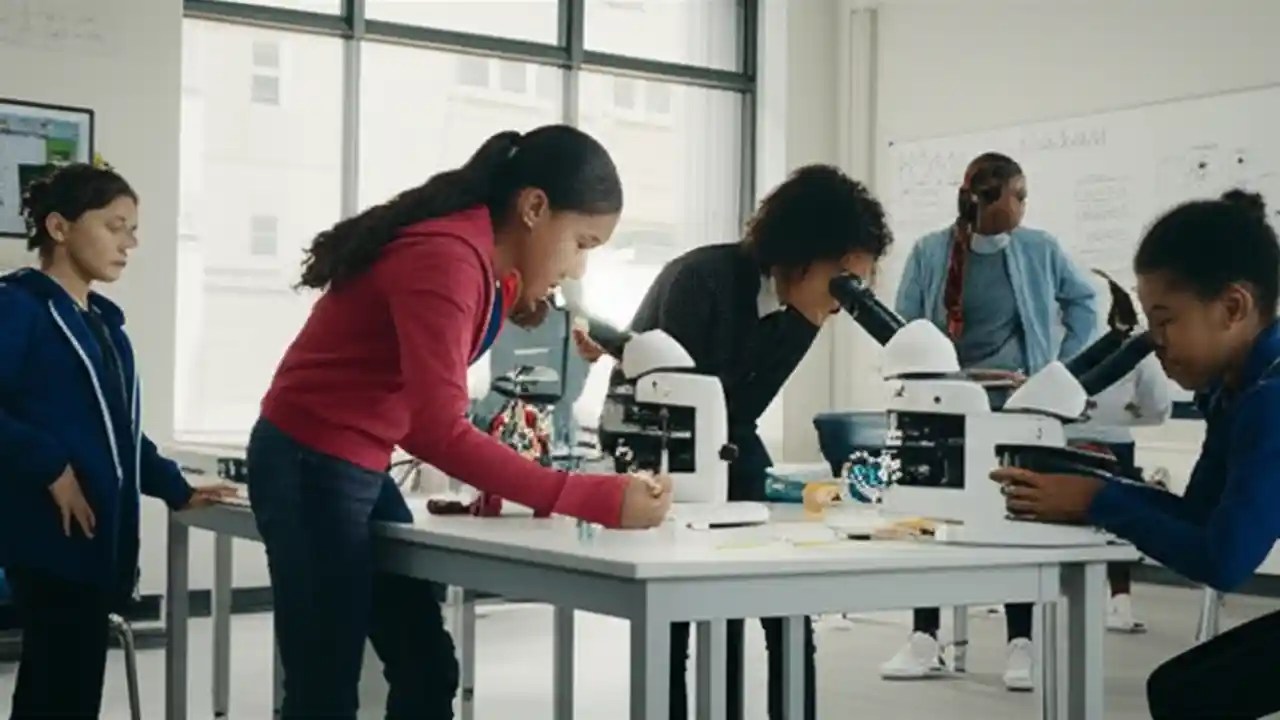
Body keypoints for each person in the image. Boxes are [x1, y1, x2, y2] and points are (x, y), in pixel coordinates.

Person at [246, 125, 673, 719]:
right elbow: (436, 429)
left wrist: (517, 303)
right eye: (581, 242)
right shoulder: (446, 257)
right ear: (533, 207)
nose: (577, 268)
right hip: (309, 457)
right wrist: (590, 497)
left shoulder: (480, 261)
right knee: (324, 687)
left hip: (356, 461)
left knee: (426, 667)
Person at [606, 164, 894, 720]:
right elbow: (687, 406)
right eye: (842, 280)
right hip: (663, 447)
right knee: (685, 610)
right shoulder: (703, 278)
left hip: (731, 435)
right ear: (800, 249)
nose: (844, 300)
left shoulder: (803, 307)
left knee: (787, 601)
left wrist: (804, 321)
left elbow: (744, 410)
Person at [991, 189, 1280, 719]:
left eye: (1166, 320)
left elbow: (1223, 560)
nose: (1155, 342)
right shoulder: (1232, 390)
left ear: (1233, 308)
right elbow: (1200, 517)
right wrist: (1095, 491)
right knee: (1180, 692)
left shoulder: (1271, 398)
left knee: (1191, 697)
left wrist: (1098, 500)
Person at [0, 163, 231, 717]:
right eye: (114, 225)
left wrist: (174, 485)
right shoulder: (20, 307)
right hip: (49, 541)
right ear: (59, 227)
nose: (130, 243)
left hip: (98, 545)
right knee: (59, 690)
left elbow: (119, 433)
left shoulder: (102, 325)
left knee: (68, 688)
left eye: (132, 228)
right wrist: (51, 467)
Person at [886, 151, 1097, 690]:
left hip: (1017, 405)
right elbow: (906, 326)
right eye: (1018, 195)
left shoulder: (1040, 249)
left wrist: (1057, 369)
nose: (1024, 205)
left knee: (1013, 517)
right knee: (935, 517)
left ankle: (1020, 642)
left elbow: (1085, 304)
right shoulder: (931, 252)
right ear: (986, 198)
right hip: (946, 407)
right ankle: (924, 636)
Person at [1064, 269, 1172, 633]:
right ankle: (1120, 602)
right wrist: (1127, 414)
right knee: (1118, 522)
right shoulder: (1130, 349)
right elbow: (1158, 407)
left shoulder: (1050, 340)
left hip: (1059, 441)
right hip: (1115, 442)